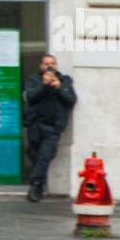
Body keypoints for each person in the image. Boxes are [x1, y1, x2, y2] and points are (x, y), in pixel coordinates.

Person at [23, 53, 77, 202]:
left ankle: (35, 185)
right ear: (41, 66)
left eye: (52, 63)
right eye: (46, 63)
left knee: (45, 156)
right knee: (35, 156)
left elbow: (71, 100)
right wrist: (44, 85)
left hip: (52, 127)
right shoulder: (34, 80)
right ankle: (39, 186)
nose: (49, 66)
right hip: (35, 125)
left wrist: (59, 87)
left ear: (56, 65)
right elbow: (31, 97)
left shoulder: (64, 81)